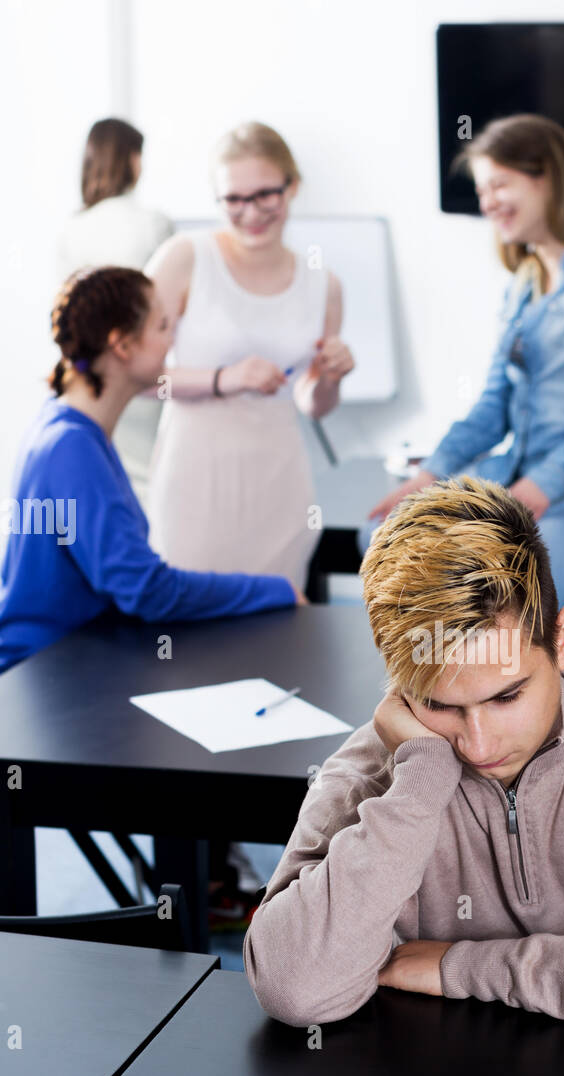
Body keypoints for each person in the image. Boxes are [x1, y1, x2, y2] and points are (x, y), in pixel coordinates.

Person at [244, 476, 564, 1033]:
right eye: (438, 705)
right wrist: (418, 785)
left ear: (563, 638)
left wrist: (462, 967)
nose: (478, 743)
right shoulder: (371, 772)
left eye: (507, 696)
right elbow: (292, 988)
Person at [363, 114, 564, 619]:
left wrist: (537, 490)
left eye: (500, 184)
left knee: (526, 622)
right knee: (384, 539)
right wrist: (431, 473)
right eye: (482, 190)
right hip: (514, 481)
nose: (487, 203)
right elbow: (493, 403)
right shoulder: (524, 284)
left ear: (549, 177)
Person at [0, 266, 303, 678]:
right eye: (162, 325)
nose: (172, 338)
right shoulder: (72, 448)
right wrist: (276, 590)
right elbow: (145, 590)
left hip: (67, 661)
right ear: (123, 346)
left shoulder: (66, 427)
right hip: (47, 674)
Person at [146, 121, 354, 592]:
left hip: (279, 481)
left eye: (265, 195)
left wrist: (331, 377)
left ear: (292, 186)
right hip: (194, 478)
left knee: (278, 628)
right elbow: (136, 375)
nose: (251, 212)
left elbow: (312, 403)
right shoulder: (184, 258)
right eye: (233, 199)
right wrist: (226, 378)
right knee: (189, 626)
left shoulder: (324, 284)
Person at [57, 118, 174, 510]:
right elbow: (167, 310)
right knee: (148, 486)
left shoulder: (73, 229)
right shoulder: (154, 224)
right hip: (144, 373)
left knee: (99, 481)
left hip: (90, 378)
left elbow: (65, 312)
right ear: (131, 160)